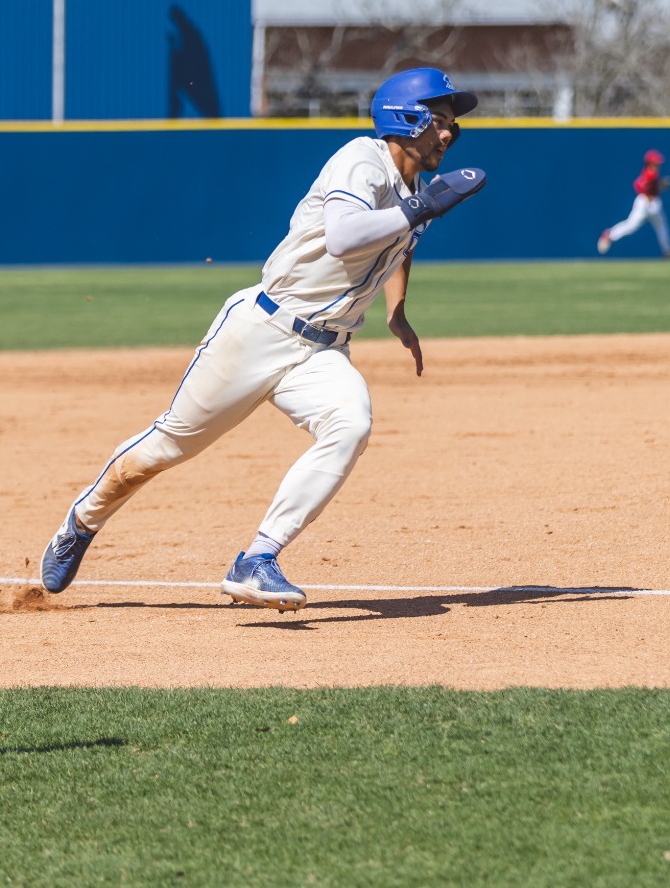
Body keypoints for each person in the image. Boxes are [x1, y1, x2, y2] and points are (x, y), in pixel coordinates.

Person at [37, 66, 488, 610]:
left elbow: (400, 242)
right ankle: (81, 522)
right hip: (261, 329)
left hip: (323, 349)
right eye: (439, 121)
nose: (448, 134)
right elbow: (347, 237)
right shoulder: (360, 159)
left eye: (452, 127)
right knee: (166, 448)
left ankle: (257, 560)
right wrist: (422, 206)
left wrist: (398, 309)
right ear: (405, 118)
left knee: (350, 425)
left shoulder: (416, 188)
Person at [597, 148, 670, 258]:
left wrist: (660, 185)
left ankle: (667, 251)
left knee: (662, 227)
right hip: (644, 203)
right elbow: (637, 185)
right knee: (631, 225)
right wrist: (655, 187)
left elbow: (652, 186)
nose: (658, 165)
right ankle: (609, 234)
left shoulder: (653, 174)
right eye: (656, 163)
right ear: (649, 163)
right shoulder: (649, 173)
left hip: (654, 204)